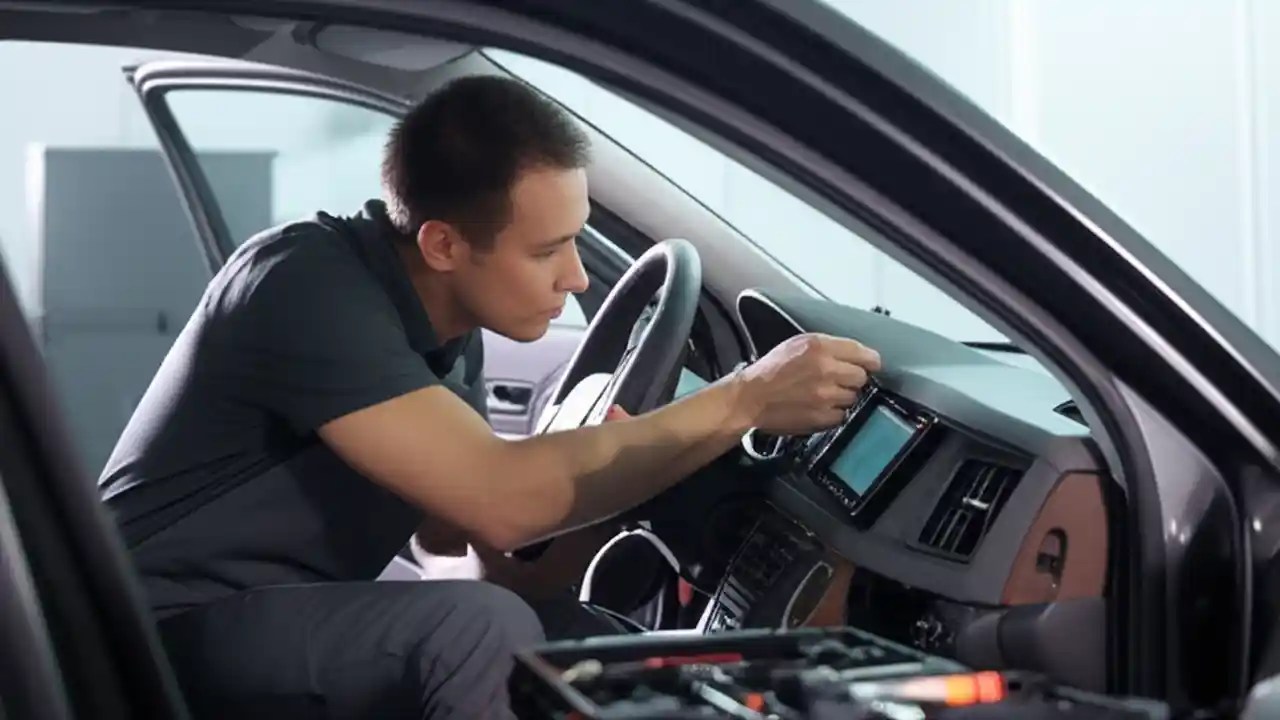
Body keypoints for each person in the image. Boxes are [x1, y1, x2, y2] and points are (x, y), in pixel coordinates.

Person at [99, 75, 882, 719]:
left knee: (576, 639)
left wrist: (608, 471)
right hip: (140, 638)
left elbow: (461, 538)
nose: (576, 277)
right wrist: (741, 401)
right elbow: (499, 503)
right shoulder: (304, 283)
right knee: (479, 632)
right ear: (444, 244)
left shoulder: (444, 323)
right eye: (547, 250)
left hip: (272, 616)